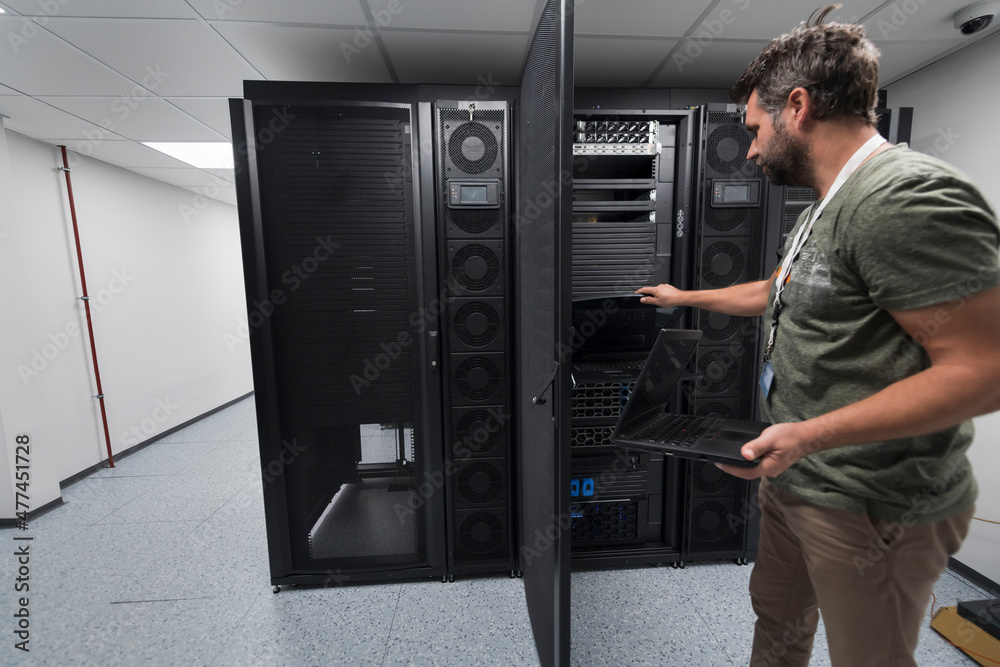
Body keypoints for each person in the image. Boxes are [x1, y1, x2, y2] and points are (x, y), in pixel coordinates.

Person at [637, 6, 1000, 667]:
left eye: (753, 129)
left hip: (873, 503)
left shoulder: (904, 198)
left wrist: (807, 434)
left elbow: (984, 369)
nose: (748, 149)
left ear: (797, 106)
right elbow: (776, 289)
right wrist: (684, 296)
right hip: (798, 478)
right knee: (778, 622)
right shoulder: (827, 206)